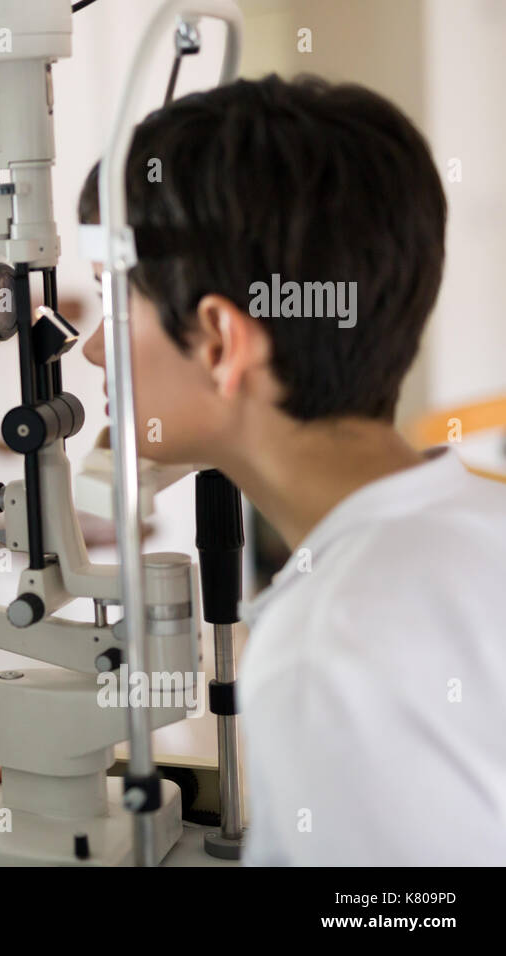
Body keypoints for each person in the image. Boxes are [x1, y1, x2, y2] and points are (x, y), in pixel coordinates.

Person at [75, 73, 506, 865]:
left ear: (219, 342)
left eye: (112, 301)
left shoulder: (330, 651)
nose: (93, 348)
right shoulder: (482, 524)